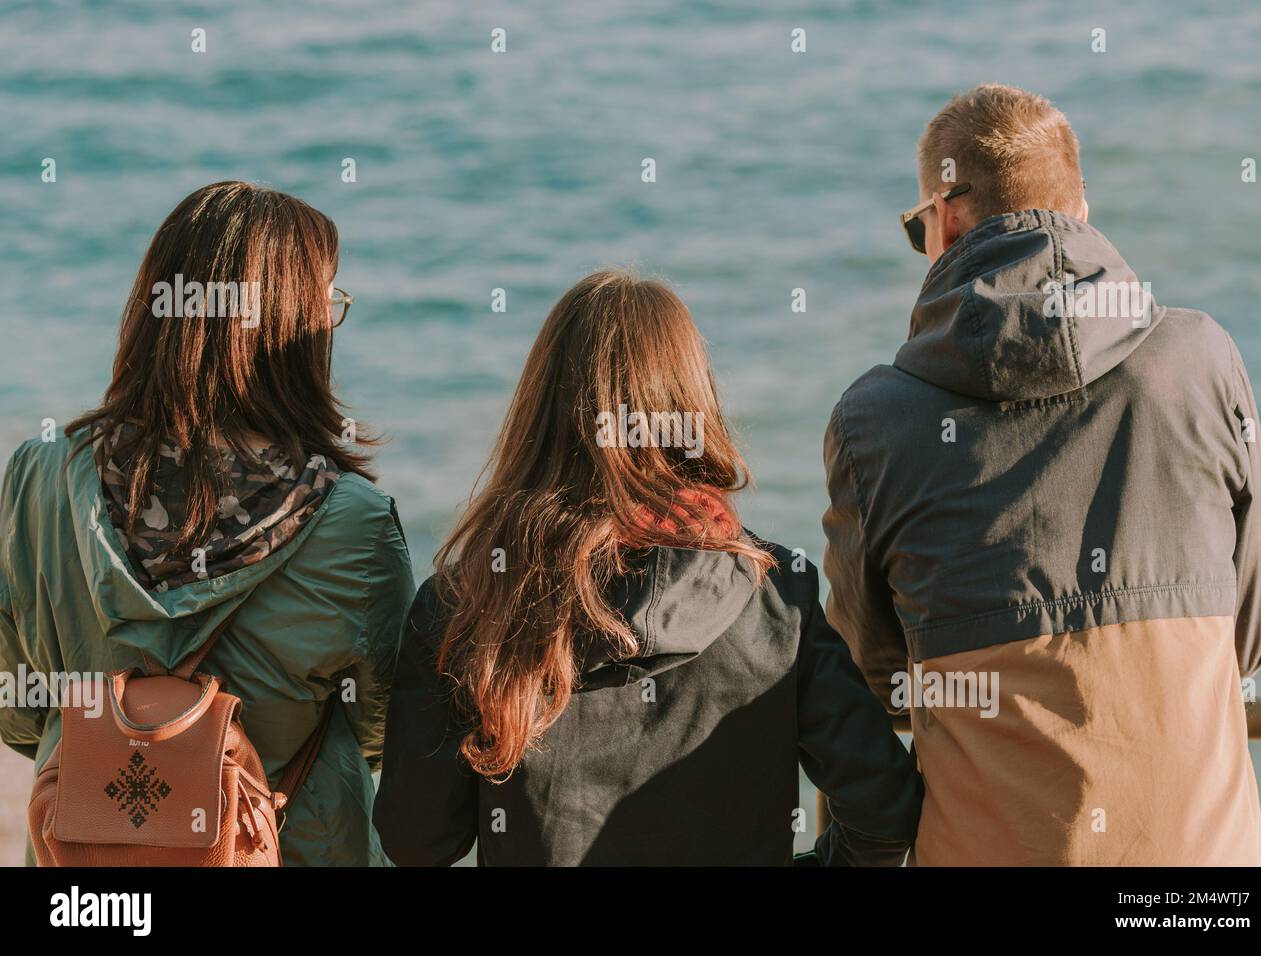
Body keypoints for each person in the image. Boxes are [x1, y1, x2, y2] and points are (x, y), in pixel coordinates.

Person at [822, 83, 1261, 865]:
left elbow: (869, 672)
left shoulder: (876, 421)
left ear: (947, 218)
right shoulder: (1202, 360)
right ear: (1083, 209)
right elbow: (1258, 625)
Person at [374, 270, 922, 866]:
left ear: (540, 414)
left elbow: (417, 841)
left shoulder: (467, 603)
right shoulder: (776, 596)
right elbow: (884, 812)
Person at [0, 181, 414, 865]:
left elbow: (18, 704)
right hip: (289, 844)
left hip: (88, 858)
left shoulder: (38, 479)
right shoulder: (353, 523)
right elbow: (384, 729)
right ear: (291, 331)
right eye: (328, 307)